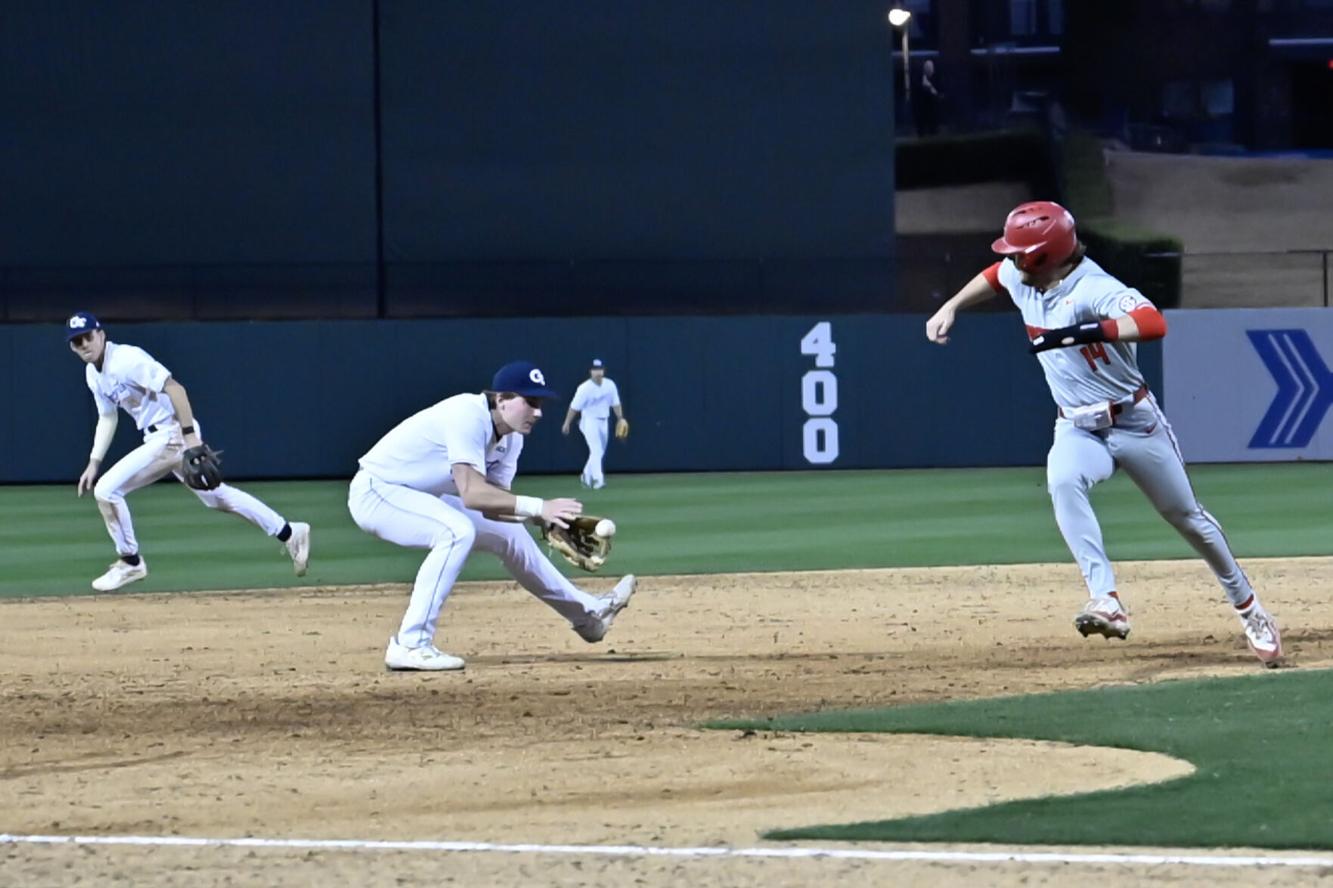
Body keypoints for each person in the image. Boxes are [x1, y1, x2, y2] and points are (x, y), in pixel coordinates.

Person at [924, 201, 1282, 666]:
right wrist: (950, 306)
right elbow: (993, 275)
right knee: (1063, 481)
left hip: (1135, 423)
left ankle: (1251, 609)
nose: (1012, 259)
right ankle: (1105, 599)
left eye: (1019, 252)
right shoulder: (1019, 276)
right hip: (1076, 426)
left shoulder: (1093, 287)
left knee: (1187, 518)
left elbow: (1154, 323)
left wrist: (1084, 332)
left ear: (1042, 255)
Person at [348, 359, 636, 672]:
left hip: (417, 496)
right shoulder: (467, 415)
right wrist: (539, 507)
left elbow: (494, 504)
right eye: (530, 402)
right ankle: (411, 644)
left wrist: (542, 519)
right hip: (378, 492)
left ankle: (588, 616)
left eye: (540, 404)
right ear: (501, 399)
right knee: (456, 532)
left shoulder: (512, 439)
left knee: (510, 536)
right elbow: (472, 492)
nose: (538, 412)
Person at [67, 312, 311, 591]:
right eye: (76, 342)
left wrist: (190, 437)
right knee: (218, 498)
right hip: (160, 437)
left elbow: (175, 389)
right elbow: (108, 417)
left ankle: (131, 561)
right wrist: (94, 461)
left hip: (172, 433)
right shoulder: (93, 374)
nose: (84, 344)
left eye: (87, 336)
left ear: (101, 334)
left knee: (107, 491)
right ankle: (290, 532)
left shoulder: (126, 359)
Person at [561, 358, 626, 489]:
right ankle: (598, 480)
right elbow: (574, 407)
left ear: (604, 370)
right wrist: (567, 422)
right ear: (590, 372)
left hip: (604, 421)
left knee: (599, 452)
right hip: (589, 421)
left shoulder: (610, 385)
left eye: (600, 369)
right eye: (595, 370)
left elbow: (616, 403)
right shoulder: (584, 388)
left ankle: (586, 474)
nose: (598, 372)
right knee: (596, 449)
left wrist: (620, 418)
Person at [914, 58, 941, 136]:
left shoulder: (936, 79)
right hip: (923, 111)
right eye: (927, 68)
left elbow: (937, 93)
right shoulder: (919, 79)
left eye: (930, 68)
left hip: (932, 112)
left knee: (933, 131)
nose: (929, 70)